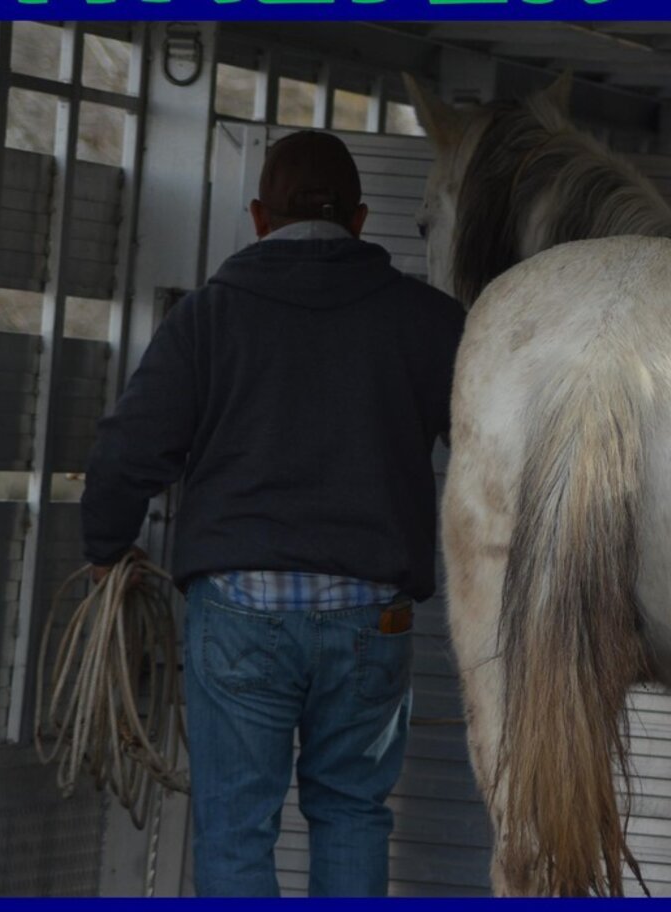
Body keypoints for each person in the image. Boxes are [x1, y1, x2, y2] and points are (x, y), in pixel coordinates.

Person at [81, 130, 465, 897]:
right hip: (370, 617)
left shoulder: (209, 319)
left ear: (259, 217)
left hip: (240, 616)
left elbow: (128, 450)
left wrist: (106, 545)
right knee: (353, 811)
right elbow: (497, 455)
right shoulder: (430, 323)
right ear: (359, 221)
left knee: (235, 825)